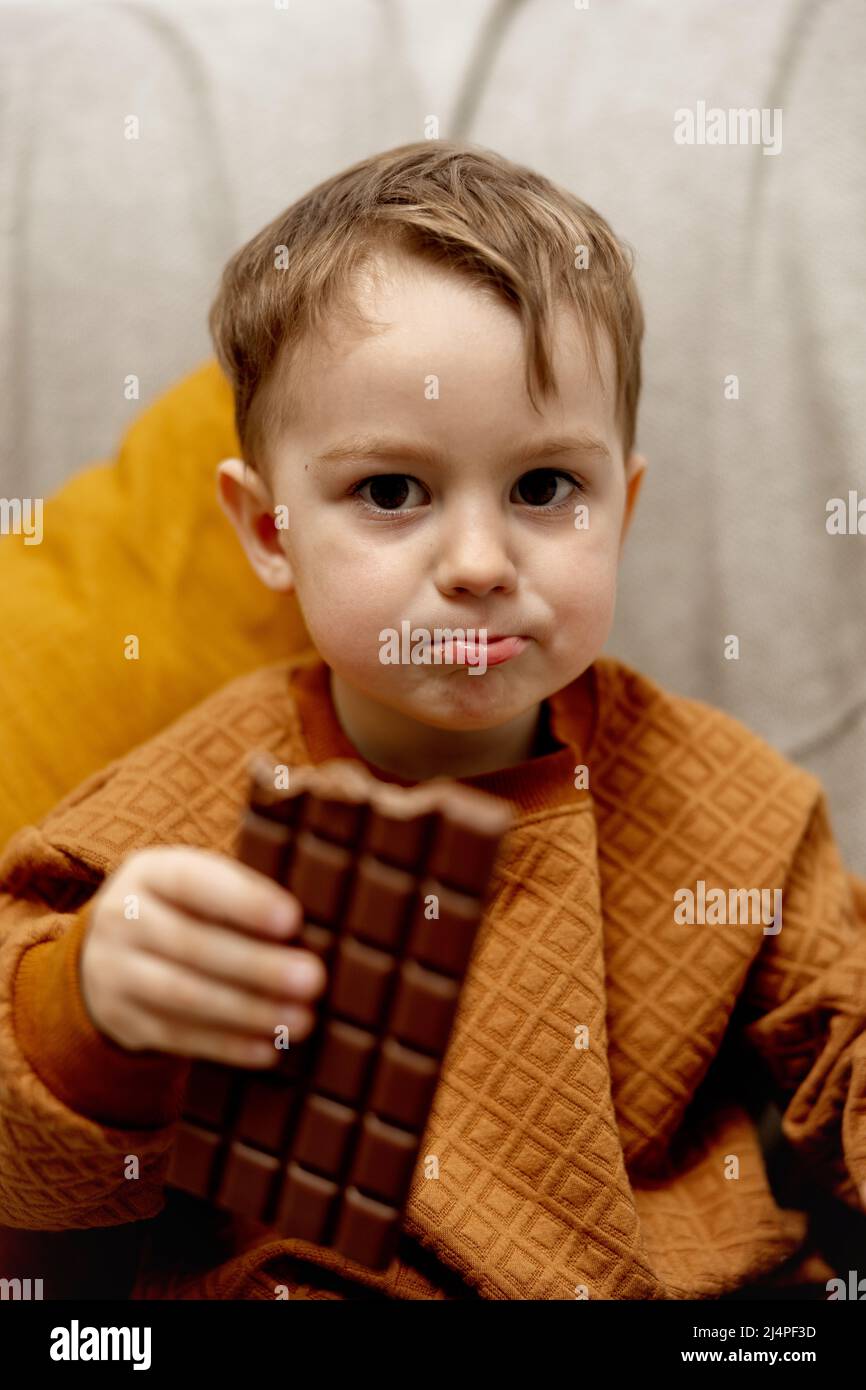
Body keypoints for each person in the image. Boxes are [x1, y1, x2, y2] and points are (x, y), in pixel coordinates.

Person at [1, 140, 863, 1301]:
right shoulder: (184, 815)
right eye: (391, 492)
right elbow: (29, 1160)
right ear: (268, 532)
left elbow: (838, 1047)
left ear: (623, 506)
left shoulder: (731, 806)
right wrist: (92, 1012)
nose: (475, 563)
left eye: (544, 488)